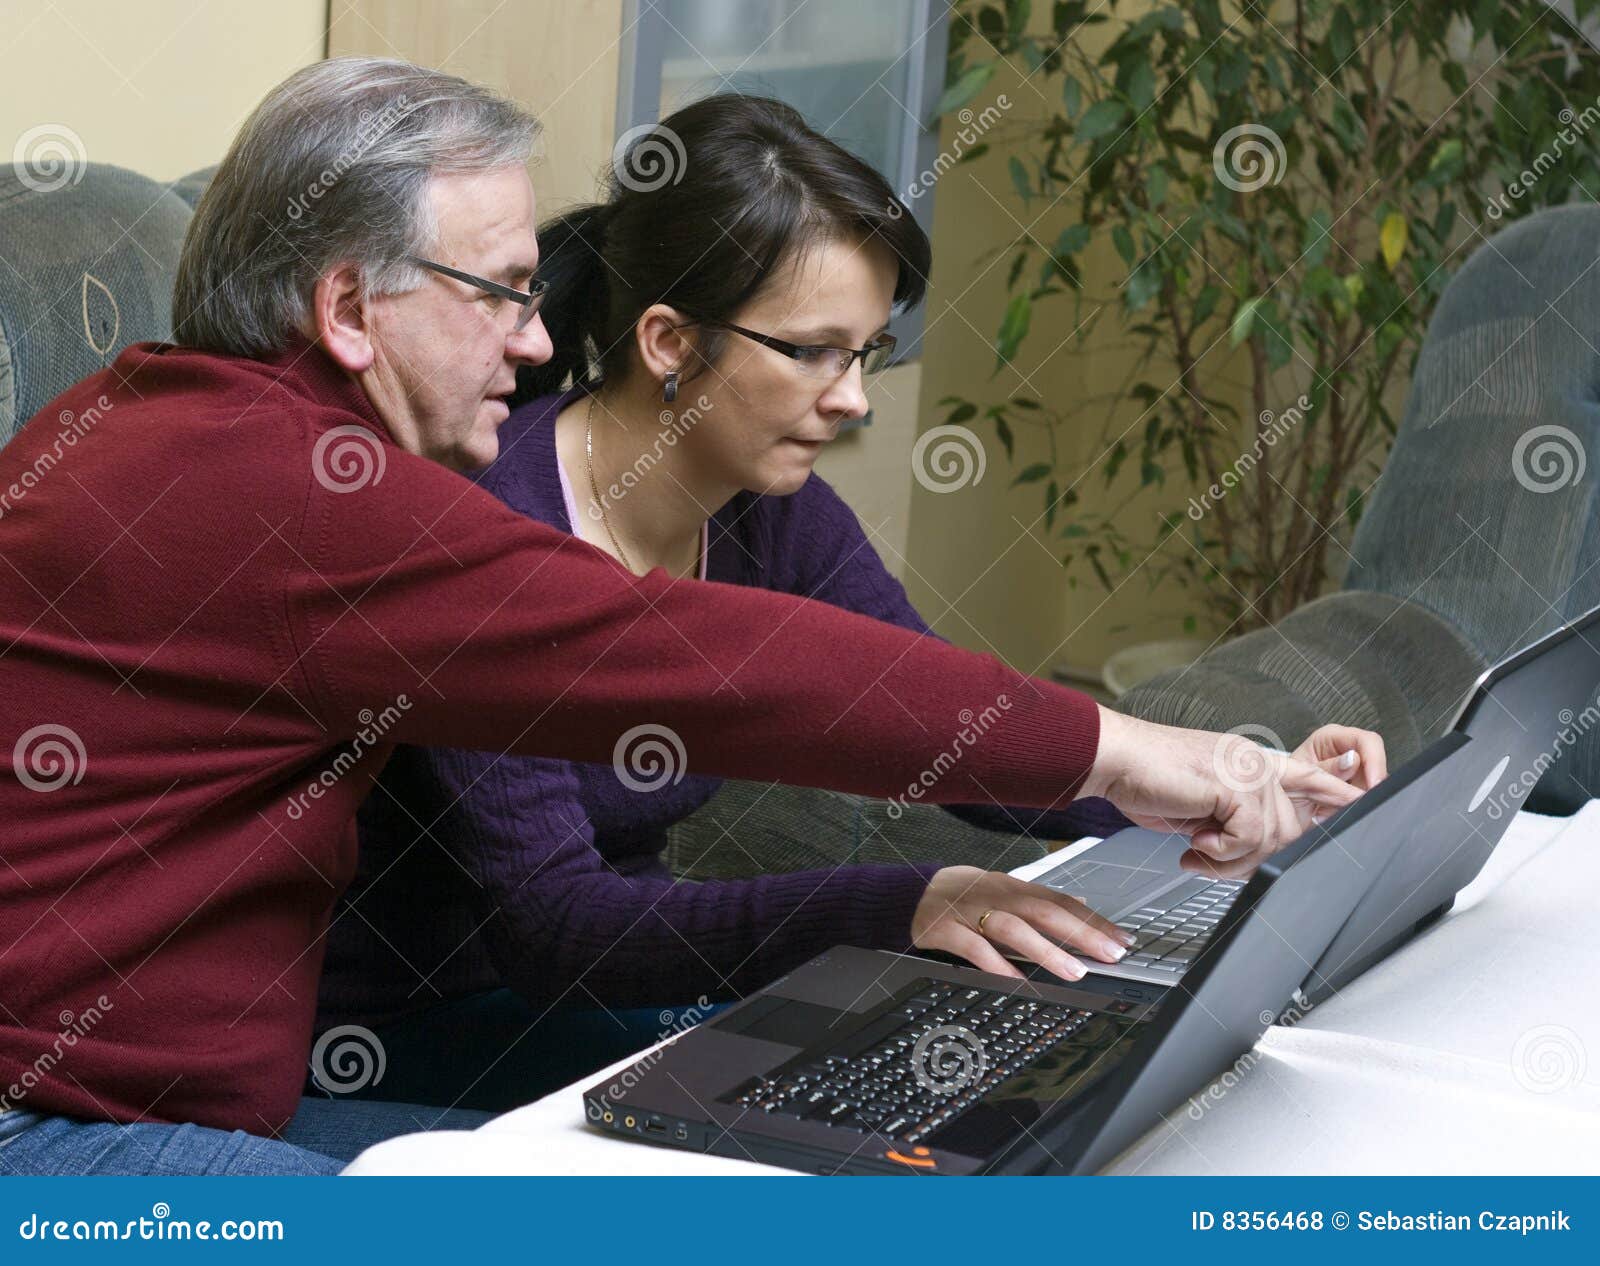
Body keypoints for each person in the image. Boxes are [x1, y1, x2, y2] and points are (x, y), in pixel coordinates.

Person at [0, 58, 1370, 1176]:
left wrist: (1191, 781)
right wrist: (1125, 753)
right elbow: (682, 660)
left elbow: (897, 682)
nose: (535, 342)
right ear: (350, 307)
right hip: (59, 1129)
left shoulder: (192, 431)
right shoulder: (294, 485)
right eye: (497, 296)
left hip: (170, 1099)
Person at [317, 94, 1388, 1111]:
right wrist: (903, 906)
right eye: (813, 352)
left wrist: (1237, 787)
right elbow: (558, 930)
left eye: (866, 351)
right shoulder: (481, 536)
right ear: (669, 343)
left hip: (630, 989)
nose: (853, 397)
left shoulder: (772, 516)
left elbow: (956, 735)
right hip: (431, 1024)